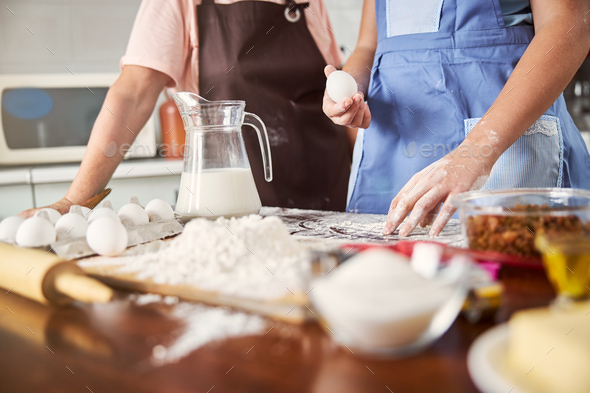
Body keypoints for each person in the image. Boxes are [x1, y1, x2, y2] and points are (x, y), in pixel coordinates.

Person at [21, 0, 353, 218]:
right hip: (232, 209)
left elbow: (337, 98)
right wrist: (73, 201)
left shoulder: (310, 4)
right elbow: (133, 94)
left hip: (329, 200)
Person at [323, 0, 590, 237]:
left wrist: (474, 154)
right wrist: (350, 90)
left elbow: (570, 25)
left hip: (502, 141)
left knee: (504, 279)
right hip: (392, 155)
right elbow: (369, 46)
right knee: (388, 280)